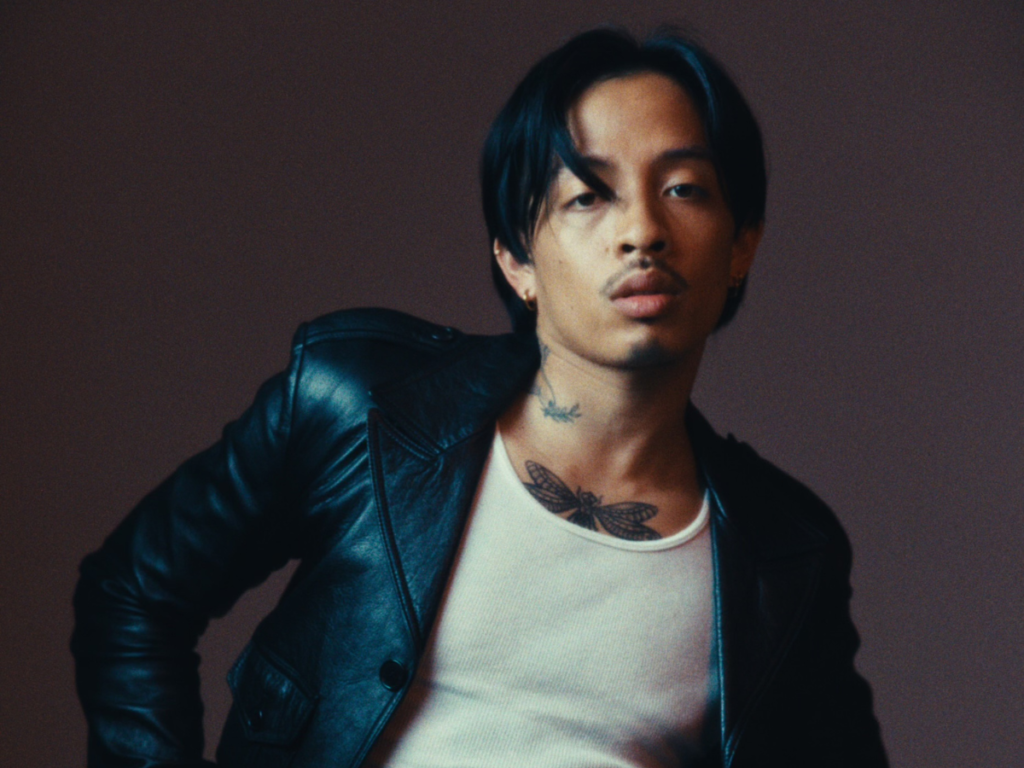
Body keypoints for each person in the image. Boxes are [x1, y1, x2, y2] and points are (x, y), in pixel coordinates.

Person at [72, 27, 889, 768]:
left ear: (741, 245)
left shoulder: (785, 555)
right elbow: (133, 591)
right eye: (588, 195)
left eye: (684, 189)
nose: (642, 230)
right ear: (516, 259)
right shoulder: (362, 406)